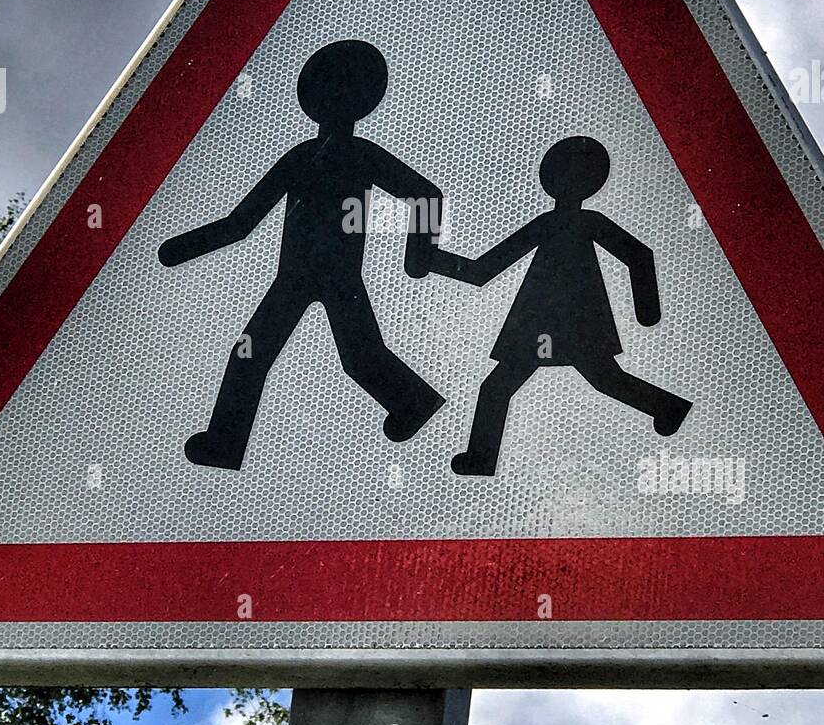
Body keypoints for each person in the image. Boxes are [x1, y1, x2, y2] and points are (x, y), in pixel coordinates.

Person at [159, 39, 445, 469]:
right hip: (294, 276)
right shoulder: (300, 157)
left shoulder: (358, 155)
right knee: (257, 355)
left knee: (353, 356)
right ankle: (225, 443)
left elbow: (424, 194)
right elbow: (242, 222)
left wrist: (417, 255)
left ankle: (413, 401)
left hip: (337, 274)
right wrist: (183, 248)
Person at [428, 135, 691, 476]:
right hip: (545, 320)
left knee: (596, 380)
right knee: (510, 386)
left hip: (564, 319)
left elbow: (637, 255)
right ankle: (667, 407)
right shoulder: (553, 223)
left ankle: (668, 407)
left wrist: (647, 310)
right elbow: (486, 268)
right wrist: (438, 263)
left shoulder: (582, 223)